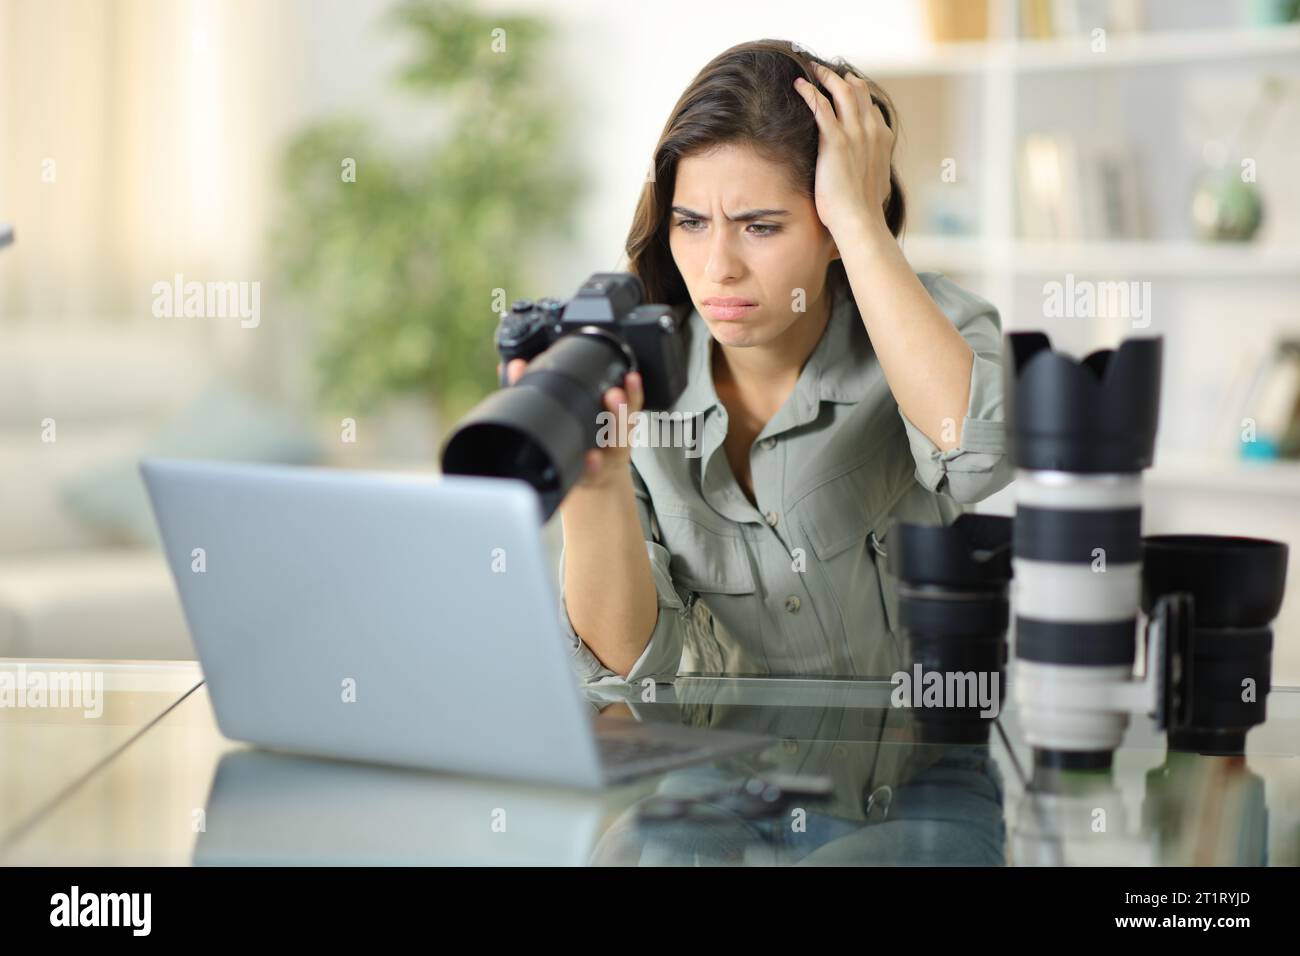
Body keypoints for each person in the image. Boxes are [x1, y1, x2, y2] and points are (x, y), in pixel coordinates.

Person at [501, 40, 1013, 686]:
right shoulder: (633, 380)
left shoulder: (927, 323)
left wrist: (860, 221)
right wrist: (595, 485)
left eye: (760, 227)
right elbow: (625, 665)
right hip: (722, 783)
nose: (718, 268)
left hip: (919, 778)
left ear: (829, 222)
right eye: (690, 223)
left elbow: (978, 461)